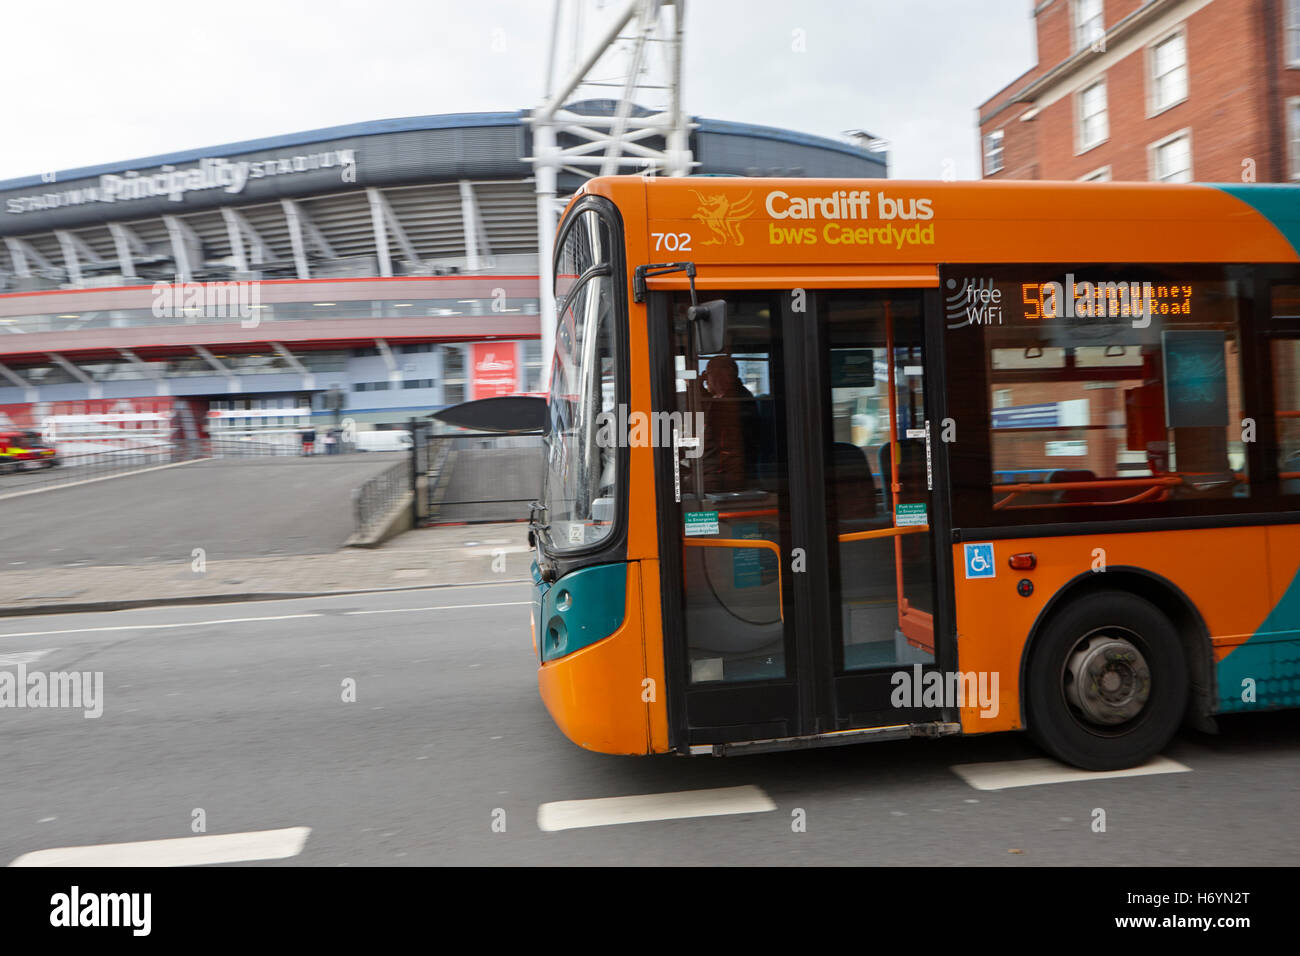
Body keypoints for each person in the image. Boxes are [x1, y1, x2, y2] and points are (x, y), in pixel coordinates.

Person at [699, 355, 758, 493]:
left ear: (722, 377)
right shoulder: (730, 396)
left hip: (729, 476)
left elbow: (721, 445)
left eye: (709, 374)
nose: (707, 380)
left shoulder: (732, 401)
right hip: (730, 472)